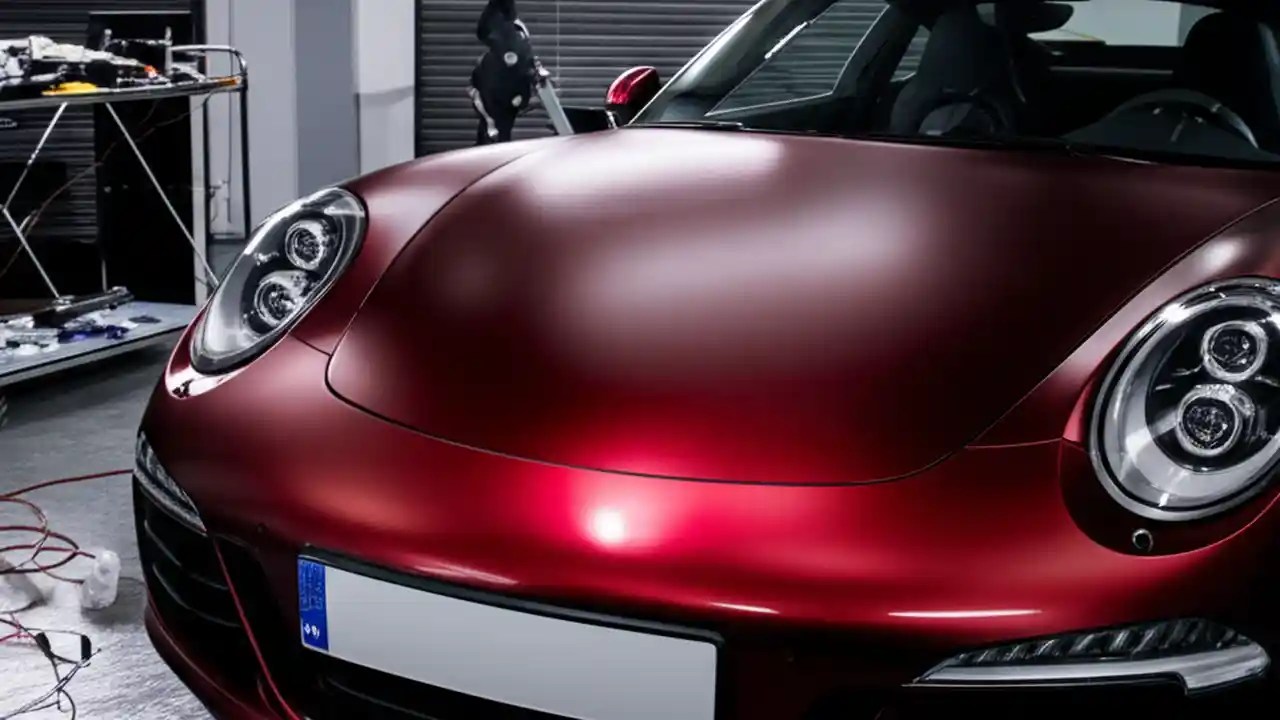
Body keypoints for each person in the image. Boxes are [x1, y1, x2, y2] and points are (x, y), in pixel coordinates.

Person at [469, 0, 536, 145]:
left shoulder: (514, 28)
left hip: (504, 91)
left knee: (496, 133)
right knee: (494, 133)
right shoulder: (511, 28)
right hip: (498, 90)